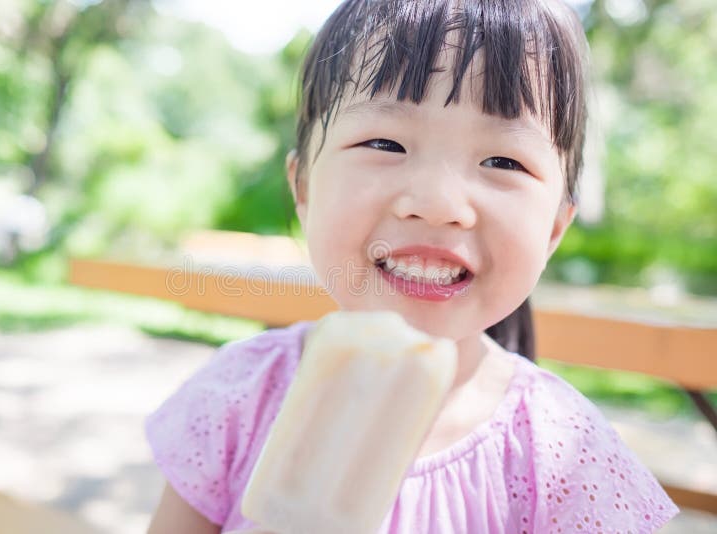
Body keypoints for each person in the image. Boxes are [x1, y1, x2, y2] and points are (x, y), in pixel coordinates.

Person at [145, 1, 680, 532]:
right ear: (303, 188)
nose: (438, 203)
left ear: (555, 229)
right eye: (385, 143)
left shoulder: (567, 457)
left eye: (503, 161)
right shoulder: (239, 396)